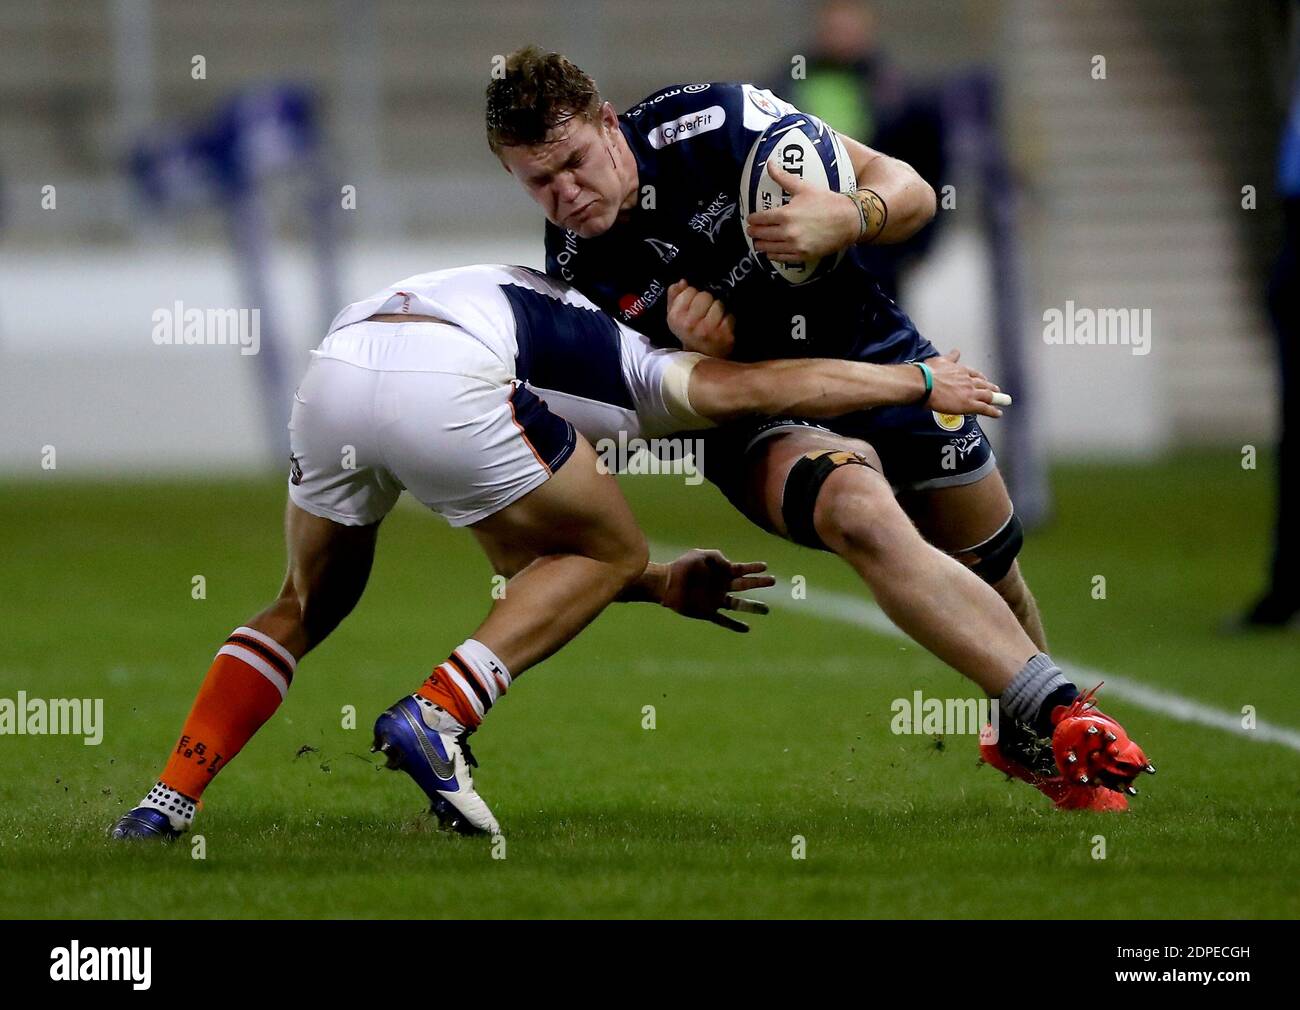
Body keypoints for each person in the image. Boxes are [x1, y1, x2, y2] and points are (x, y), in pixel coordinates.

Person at [110, 263, 1011, 840]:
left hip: (339, 369)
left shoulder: (529, 303)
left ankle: (168, 799)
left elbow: (521, 561)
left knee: (306, 605)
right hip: (448, 379)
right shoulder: (631, 354)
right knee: (615, 543)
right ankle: (435, 715)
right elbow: (755, 390)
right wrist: (916, 378)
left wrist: (657, 586)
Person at [488, 49, 1154, 809]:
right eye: (539, 182)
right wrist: (684, 354)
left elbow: (909, 192)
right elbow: (655, 409)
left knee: (994, 568)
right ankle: (1066, 712)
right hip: (753, 419)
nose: (566, 193)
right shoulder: (571, 278)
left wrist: (854, 214)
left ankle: (1025, 729)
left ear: (609, 123)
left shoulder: (719, 125)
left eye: (574, 162)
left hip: (868, 347)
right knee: (856, 510)